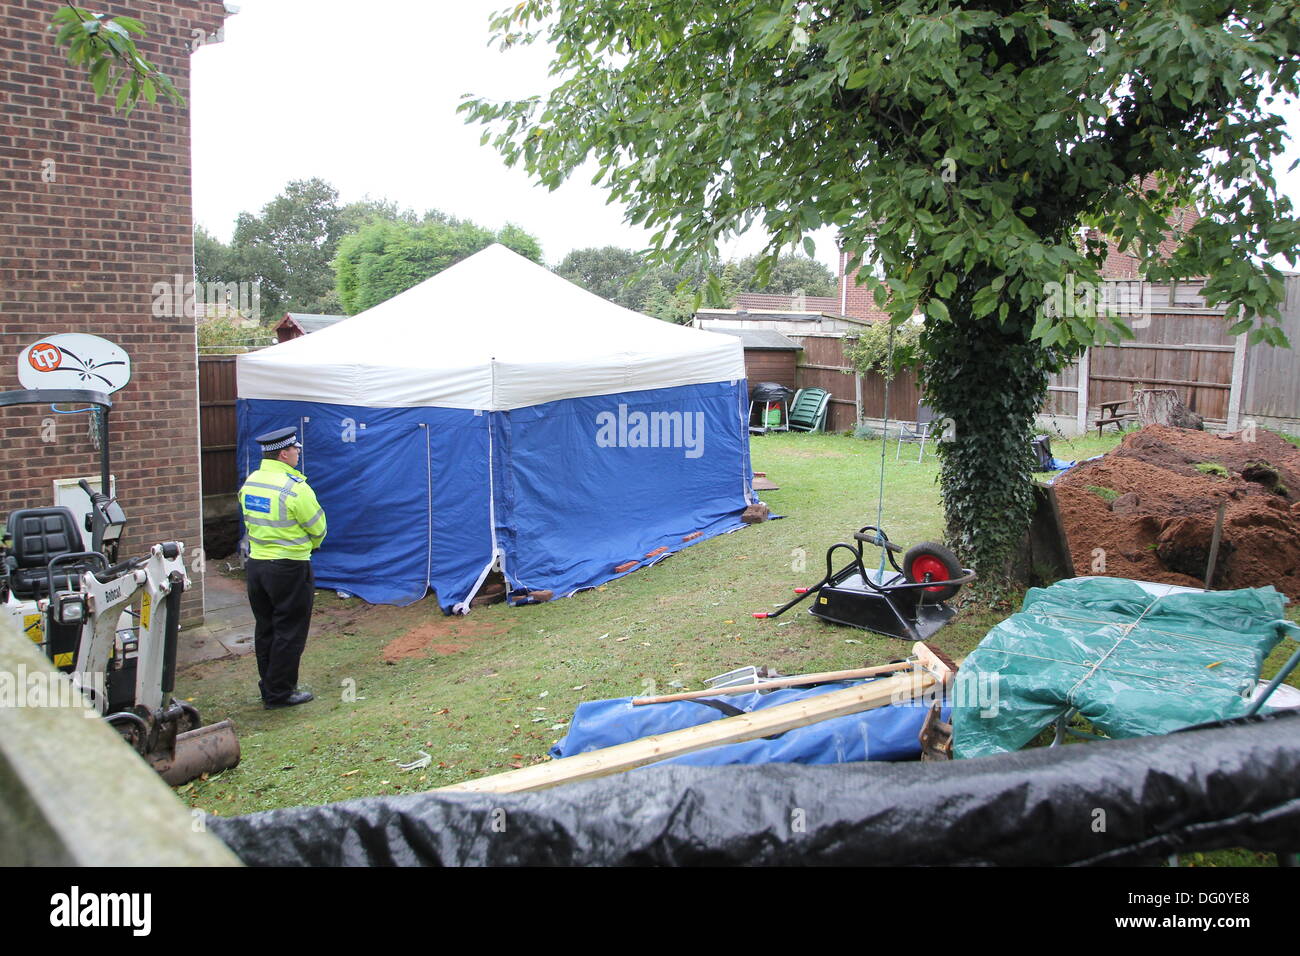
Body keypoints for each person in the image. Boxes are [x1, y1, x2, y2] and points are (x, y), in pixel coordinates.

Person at [238, 426, 327, 709]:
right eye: (295, 450)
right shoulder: (294, 487)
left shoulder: (251, 482)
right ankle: (281, 693)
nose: (299, 453)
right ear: (284, 453)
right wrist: (310, 543)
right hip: (290, 567)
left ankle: (269, 686)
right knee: (290, 631)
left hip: (257, 566)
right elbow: (318, 528)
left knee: (266, 628)